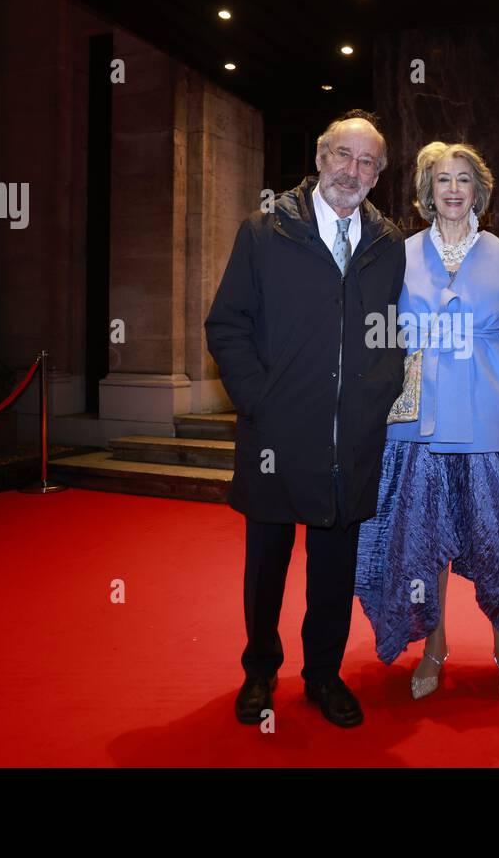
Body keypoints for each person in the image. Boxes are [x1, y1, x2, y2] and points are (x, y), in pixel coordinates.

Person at [354, 141, 499, 707]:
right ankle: (433, 652)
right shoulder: (399, 255)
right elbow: (378, 333)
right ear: (426, 192)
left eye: (464, 179)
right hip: (418, 427)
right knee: (423, 549)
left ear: (479, 190)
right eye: (443, 180)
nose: (454, 189)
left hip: (488, 425)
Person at [205, 111, 406, 728]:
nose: (353, 170)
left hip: (352, 437)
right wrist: (259, 400)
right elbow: (227, 324)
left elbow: (391, 332)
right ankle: (260, 670)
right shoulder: (264, 231)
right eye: (343, 155)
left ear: (377, 176)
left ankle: (323, 674)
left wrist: (378, 396)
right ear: (320, 158)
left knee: (334, 568)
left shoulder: (388, 244)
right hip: (275, 433)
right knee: (266, 562)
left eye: (367, 161)